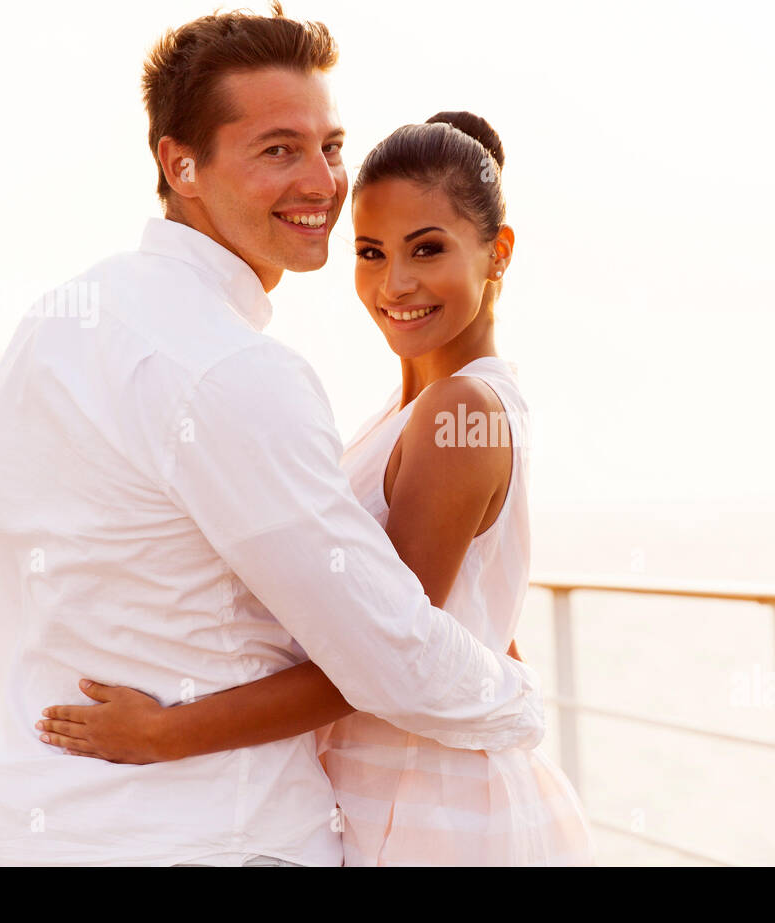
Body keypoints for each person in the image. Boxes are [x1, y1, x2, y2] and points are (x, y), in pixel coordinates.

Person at [0, 5, 543, 868]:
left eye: (330, 145)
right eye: (277, 149)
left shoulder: (55, 322)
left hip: (2, 817)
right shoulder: (236, 370)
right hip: (201, 836)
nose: (323, 180)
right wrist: (519, 699)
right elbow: (390, 655)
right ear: (181, 165)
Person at [36, 113, 595, 866]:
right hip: (384, 789)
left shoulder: (459, 413)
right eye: (370, 253)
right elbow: (481, 624)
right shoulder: (408, 413)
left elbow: (389, 656)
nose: (394, 284)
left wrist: (163, 734)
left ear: (498, 252)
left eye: (426, 250)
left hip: (427, 807)